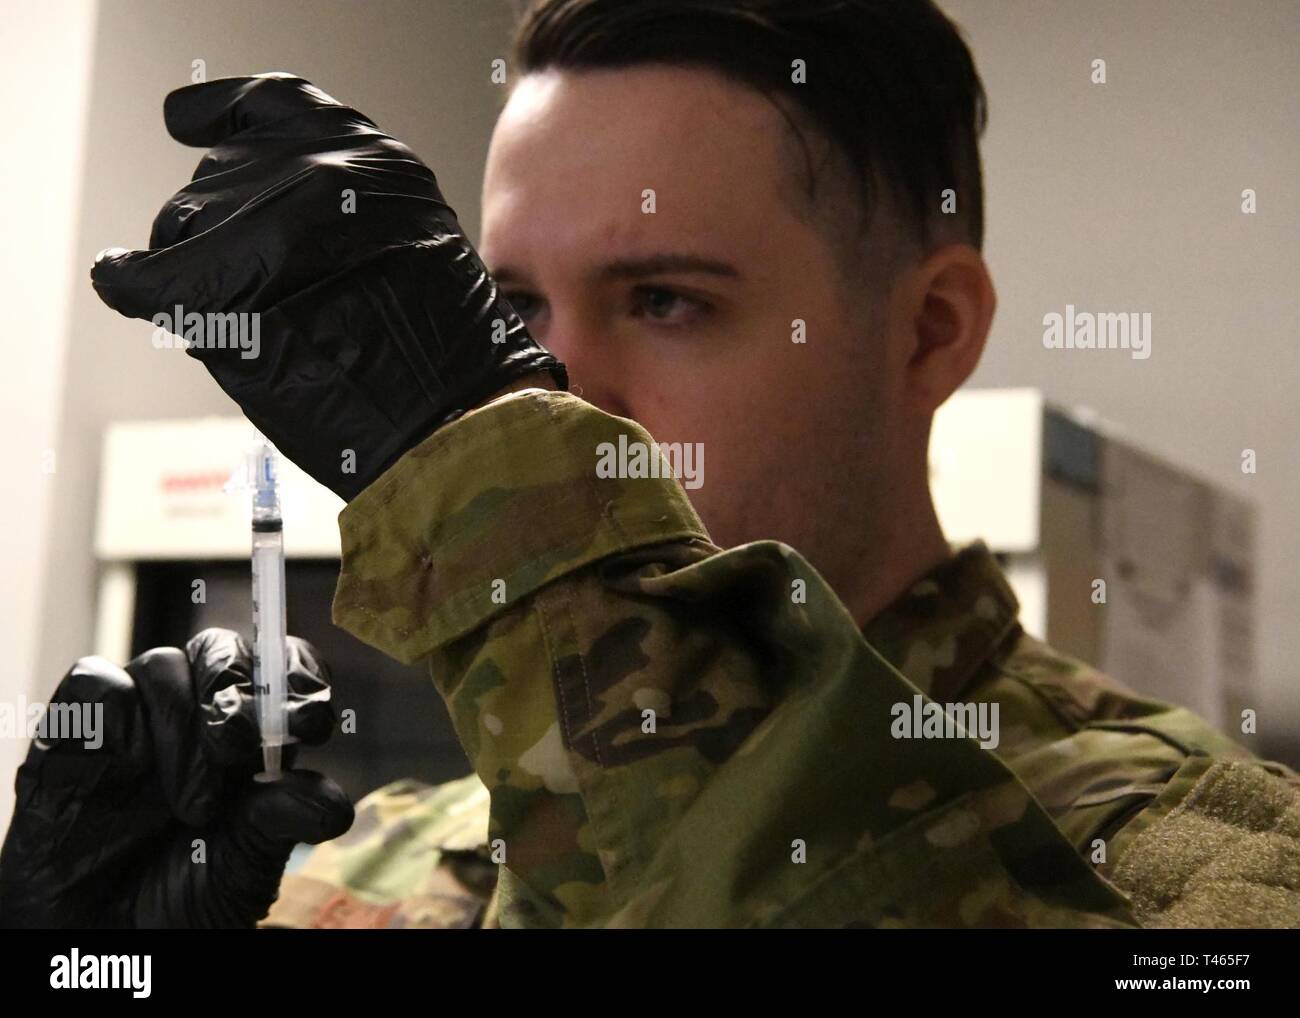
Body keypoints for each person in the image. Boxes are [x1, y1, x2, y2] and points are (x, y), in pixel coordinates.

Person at [3, 0, 1297, 929]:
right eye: (502, 316)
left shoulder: (1202, 862)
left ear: (929, 333)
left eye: (667, 299)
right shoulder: (388, 862)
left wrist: (469, 440)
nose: (557, 386)